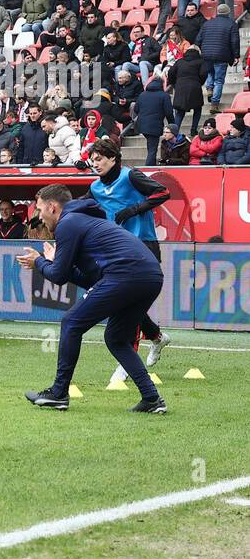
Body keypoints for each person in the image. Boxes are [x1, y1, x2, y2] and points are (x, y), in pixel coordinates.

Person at [18, 185, 167, 414]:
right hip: (149, 276)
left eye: (39, 210)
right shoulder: (81, 221)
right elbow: (90, 279)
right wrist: (49, 263)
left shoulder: (68, 224)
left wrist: (40, 262)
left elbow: (57, 275)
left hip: (127, 274)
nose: (38, 217)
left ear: (52, 206)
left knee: (71, 322)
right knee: (116, 338)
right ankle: (152, 398)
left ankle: (58, 394)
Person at [85, 138, 172, 382]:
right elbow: (83, 208)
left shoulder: (130, 176)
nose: (95, 164)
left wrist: (134, 210)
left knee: (126, 302)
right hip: (117, 250)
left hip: (144, 245)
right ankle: (155, 336)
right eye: (93, 160)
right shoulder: (94, 187)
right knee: (124, 303)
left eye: (100, 158)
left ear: (113, 158)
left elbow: (164, 192)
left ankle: (127, 363)